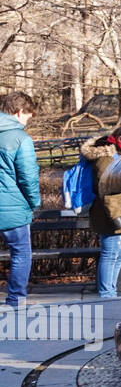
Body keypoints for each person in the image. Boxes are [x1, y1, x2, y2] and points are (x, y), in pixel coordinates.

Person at [79, 123, 121, 299]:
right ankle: (107, 293)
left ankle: (110, 290)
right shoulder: (106, 157)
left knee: (120, 253)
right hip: (110, 213)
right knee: (110, 254)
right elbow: (105, 190)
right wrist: (115, 216)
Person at [0, 92, 40, 308]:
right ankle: (16, 300)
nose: (27, 122)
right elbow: (28, 177)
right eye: (28, 117)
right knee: (20, 253)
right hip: (12, 207)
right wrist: (34, 202)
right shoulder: (20, 138)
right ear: (19, 112)